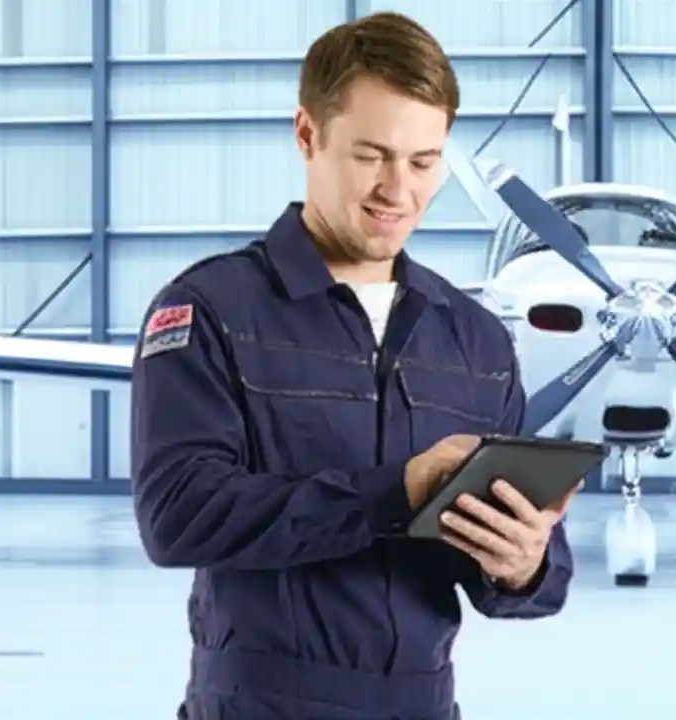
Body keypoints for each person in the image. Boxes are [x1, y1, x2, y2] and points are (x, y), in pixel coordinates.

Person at [129, 11, 580, 720]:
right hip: (257, 705)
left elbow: (531, 578)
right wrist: (394, 491)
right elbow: (177, 517)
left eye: (425, 162)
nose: (398, 191)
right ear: (307, 135)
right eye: (372, 155)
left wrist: (525, 564)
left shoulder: (477, 342)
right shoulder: (208, 311)